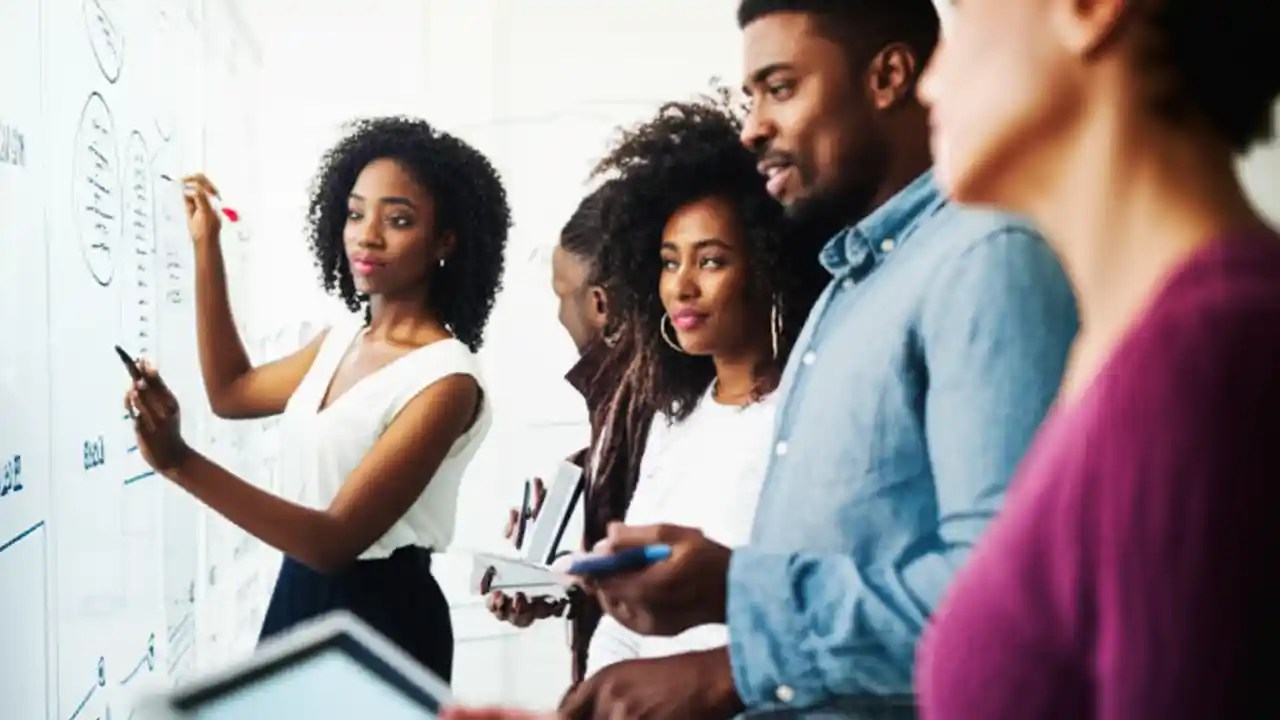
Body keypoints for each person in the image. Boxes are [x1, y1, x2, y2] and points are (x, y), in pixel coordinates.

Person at [552, 1, 1080, 717]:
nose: (753, 127)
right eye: (749, 97)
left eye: (780, 87)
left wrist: (734, 628)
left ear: (889, 75)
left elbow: (1009, 600)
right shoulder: (848, 291)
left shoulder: (984, 259)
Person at [913, 1, 1280, 718]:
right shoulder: (1124, 355)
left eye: (957, 18)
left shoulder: (1206, 361)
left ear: (1089, 10)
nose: (930, 82)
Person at [124, 116, 511, 683]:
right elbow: (232, 393)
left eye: (398, 220)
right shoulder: (341, 340)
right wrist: (207, 246)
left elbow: (334, 542)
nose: (366, 235)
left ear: (445, 241)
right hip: (299, 598)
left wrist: (179, 462)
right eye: (356, 214)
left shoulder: (447, 381)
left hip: (381, 624)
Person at [580, 97, 830, 677]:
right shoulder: (674, 420)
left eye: (711, 261)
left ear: (769, 270)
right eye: (670, 262)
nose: (683, 286)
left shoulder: (800, 414)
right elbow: (626, 624)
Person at [484, 179, 653, 685]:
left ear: (600, 304)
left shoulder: (639, 409)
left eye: (562, 294)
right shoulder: (618, 411)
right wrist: (561, 574)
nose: (559, 312)